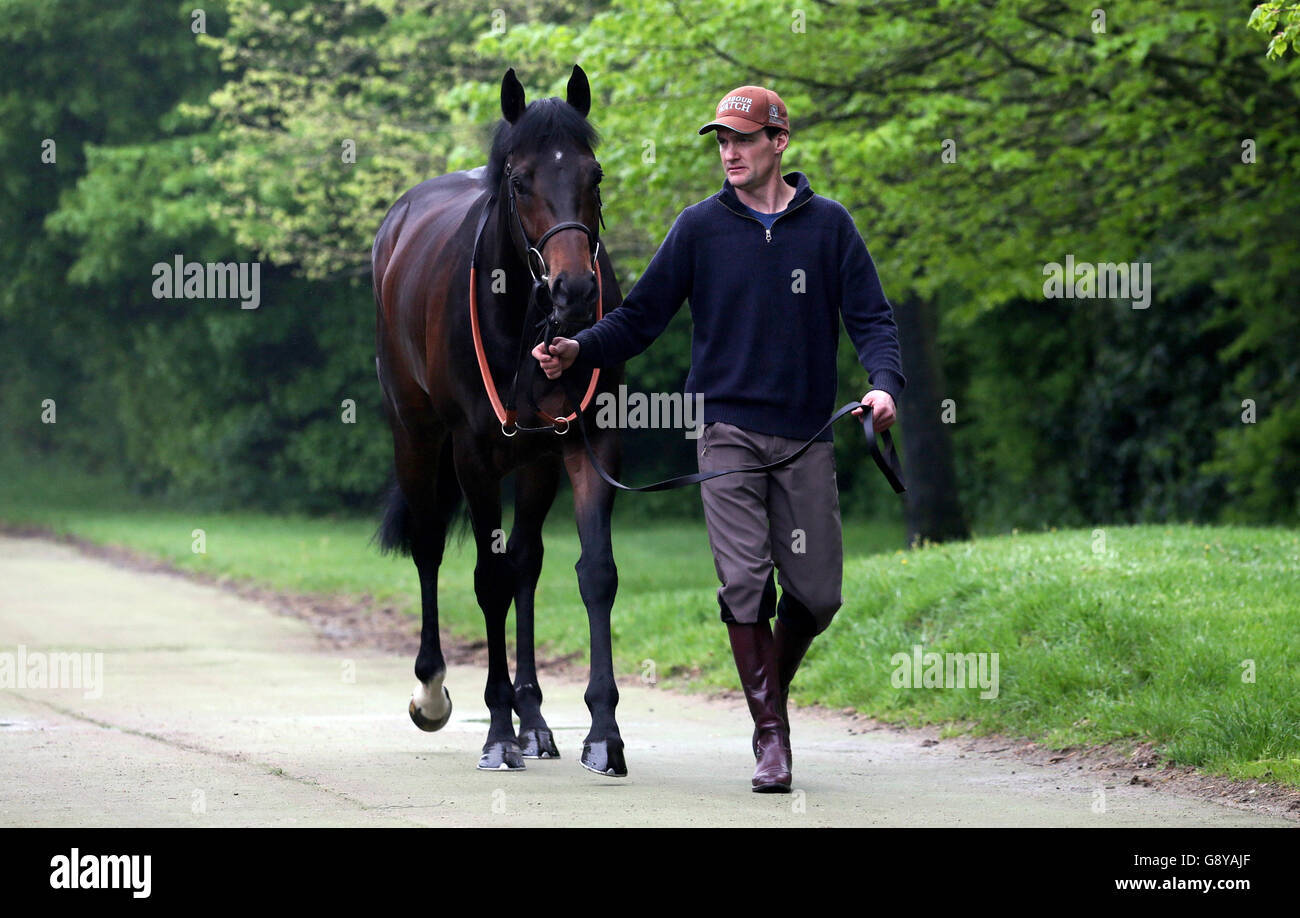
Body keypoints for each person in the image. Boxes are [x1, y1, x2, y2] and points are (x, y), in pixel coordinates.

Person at [533, 85, 905, 793]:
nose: (729, 152)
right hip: (726, 432)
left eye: (742, 139)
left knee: (819, 595)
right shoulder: (700, 227)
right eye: (722, 142)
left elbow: (873, 320)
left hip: (805, 434)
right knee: (743, 583)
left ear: (779, 143)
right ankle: (771, 735)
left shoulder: (830, 227)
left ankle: (767, 691)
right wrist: (579, 348)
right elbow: (640, 318)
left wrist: (884, 384)